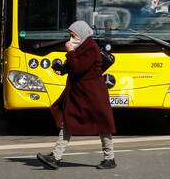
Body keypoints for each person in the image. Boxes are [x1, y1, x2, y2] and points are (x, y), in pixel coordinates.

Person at [37, 21, 117, 170]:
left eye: (73, 35)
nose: (71, 38)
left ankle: (110, 158)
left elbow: (79, 68)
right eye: (70, 35)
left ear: (82, 34)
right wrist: (62, 68)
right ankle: (55, 157)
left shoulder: (91, 48)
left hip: (93, 95)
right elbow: (73, 66)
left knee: (103, 125)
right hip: (79, 94)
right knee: (68, 122)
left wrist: (70, 51)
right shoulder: (81, 47)